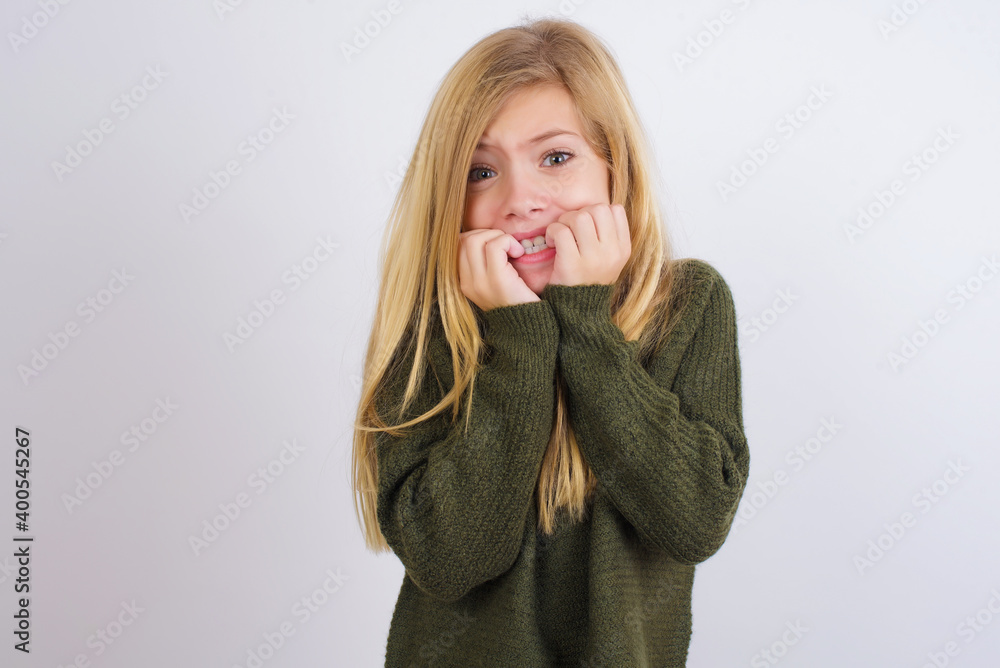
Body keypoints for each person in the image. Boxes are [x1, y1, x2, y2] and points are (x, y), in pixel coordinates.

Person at [351, 16, 750, 667]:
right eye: (481, 171)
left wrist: (586, 325)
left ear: (613, 169)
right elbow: (452, 561)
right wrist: (519, 341)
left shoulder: (688, 305)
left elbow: (696, 521)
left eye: (556, 158)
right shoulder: (430, 332)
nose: (518, 200)